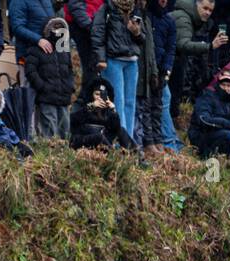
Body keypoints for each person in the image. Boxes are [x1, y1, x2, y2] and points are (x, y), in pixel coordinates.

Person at [94, 0, 156, 146]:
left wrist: (137, 32)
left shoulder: (136, 9)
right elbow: (97, 33)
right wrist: (101, 58)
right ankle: (118, 142)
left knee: (130, 103)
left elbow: (143, 39)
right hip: (113, 60)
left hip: (132, 61)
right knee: (118, 102)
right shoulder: (107, 8)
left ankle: (127, 143)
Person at [27, 17, 77, 139]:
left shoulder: (64, 50)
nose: (57, 31)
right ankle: (48, 156)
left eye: (60, 28)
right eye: (54, 27)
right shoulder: (36, 49)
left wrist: (70, 87)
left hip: (63, 98)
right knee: (48, 132)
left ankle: (63, 157)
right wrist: (42, 87)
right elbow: (30, 71)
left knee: (65, 132)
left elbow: (70, 70)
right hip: (46, 98)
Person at [171, 0, 225, 106]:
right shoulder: (184, 18)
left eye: (210, 10)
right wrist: (210, 46)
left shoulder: (195, 21)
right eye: (205, 8)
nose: (208, 13)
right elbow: (183, 45)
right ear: (196, 5)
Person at [188, 69, 230, 157]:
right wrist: (225, 123)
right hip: (200, 134)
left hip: (217, 133)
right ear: (218, 84)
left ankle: (226, 155)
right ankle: (206, 155)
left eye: (229, 86)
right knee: (229, 135)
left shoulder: (228, 102)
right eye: (223, 85)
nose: (226, 88)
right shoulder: (207, 96)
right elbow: (203, 120)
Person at [149, 0, 181, 149]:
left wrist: (166, 70)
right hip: (145, 67)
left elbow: (171, 49)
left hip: (160, 69)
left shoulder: (169, 21)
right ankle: (169, 140)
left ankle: (168, 139)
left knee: (163, 100)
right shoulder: (144, 15)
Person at [70, 74, 134, 147]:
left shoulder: (107, 110)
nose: (99, 97)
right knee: (99, 137)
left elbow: (116, 130)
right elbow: (73, 121)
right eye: (97, 94)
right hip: (84, 139)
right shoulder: (81, 103)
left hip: (102, 141)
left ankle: (138, 156)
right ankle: (112, 155)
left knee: (121, 130)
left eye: (102, 95)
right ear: (91, 94)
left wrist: (113, 111)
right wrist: (91, 106)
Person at [0, 87, 35, 154]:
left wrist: (15, 139)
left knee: (27, 151)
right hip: (2, 141)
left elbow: (5, 129)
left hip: (10, 139)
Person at [66, 1, 107, 79]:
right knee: (90, 69)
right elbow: (75, 6)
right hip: (83, 27)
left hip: (100, 26)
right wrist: (92, 27)